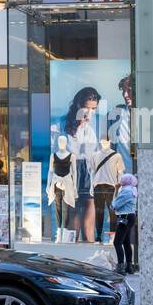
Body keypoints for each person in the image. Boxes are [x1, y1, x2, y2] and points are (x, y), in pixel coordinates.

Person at [63, 87, 100, 243]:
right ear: (78, 106)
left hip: (87, 170)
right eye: (87, 108)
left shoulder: (90, 129)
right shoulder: (62, 124)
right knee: (73, 214)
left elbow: (94, 154)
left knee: (89, 207)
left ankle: (89, 244)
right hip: (71, 169)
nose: (90, 113)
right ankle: (71, 245)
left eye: (94, 109)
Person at [111, 172, 137, 274]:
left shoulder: (126, 191)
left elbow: (114, 205)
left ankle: (121, 266)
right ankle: (129, 266)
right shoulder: (132, 189)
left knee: (117, 242)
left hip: (124, 217)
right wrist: (117, 190)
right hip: (129, 216)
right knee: (126, 241)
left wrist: (116, 192)